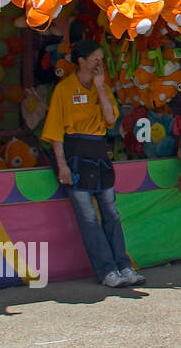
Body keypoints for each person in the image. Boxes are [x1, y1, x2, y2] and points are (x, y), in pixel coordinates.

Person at [43, 40, 141, 288]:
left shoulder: (102, 86)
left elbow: (110, 120)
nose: (100, 64)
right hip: (75, 153)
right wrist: (62, 166)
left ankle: (123, 265)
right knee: (88, 218)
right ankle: (106, 271)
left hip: (99, 152)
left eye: (101, 59)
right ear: (81, 61)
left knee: (112, 214)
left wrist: (99, 88)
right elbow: (55, 133)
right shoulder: (64, 89)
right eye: (95, 59)